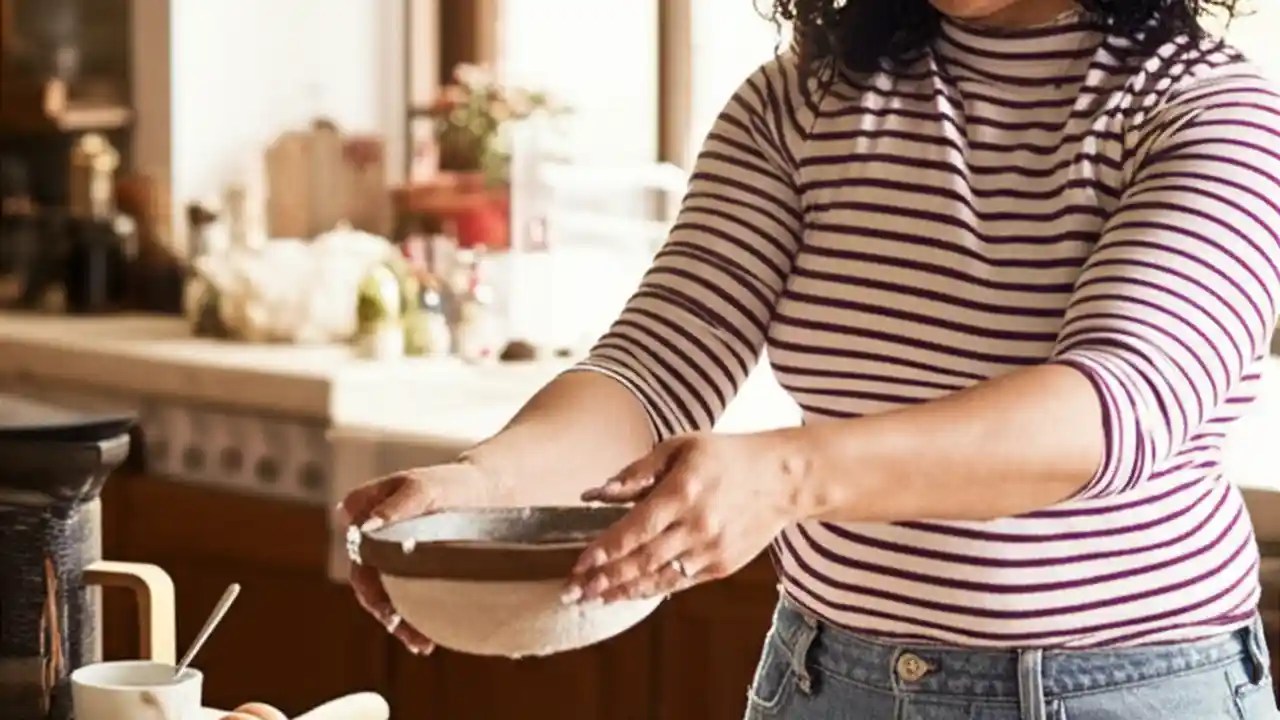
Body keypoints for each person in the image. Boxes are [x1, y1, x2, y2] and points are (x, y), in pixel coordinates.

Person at [341, 0, 1280, 717]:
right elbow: (658, 361)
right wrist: (481, 482)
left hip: (1124, 687)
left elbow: (1110, 413)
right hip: (831, 677)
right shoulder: (803, 99)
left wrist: (787, 476)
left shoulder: (1213, 112)